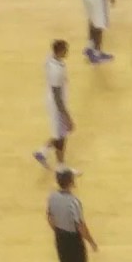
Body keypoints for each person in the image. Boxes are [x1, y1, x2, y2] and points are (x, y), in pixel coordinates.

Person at [47, 167, 97, 262]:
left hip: (60, 236)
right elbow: (80, 225)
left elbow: (49, 216)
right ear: (70, 182)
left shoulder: (52, 197)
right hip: (72, 239)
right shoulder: (73, 202)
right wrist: (91, 241)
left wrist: (57, 230)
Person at [33, 40, 74, 169]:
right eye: (65, 50)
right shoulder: (57, 71)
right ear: (60, 51)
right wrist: (67, 117)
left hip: (51, 100)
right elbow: (58, 98)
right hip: (57, 105)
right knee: (61, 137)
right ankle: (61, 167)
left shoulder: (49, 59)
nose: (67, 52)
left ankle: (42, 152)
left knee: (59, 134)